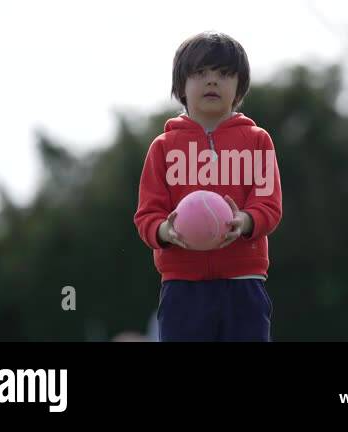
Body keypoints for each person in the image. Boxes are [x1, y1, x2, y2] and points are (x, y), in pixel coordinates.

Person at [134, 31, 282, 342]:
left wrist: (243, 221)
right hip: (181, 287)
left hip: (244, 284)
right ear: (181, 86)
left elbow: (269, 205)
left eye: (224, 74)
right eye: (200, 73)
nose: (212, 81)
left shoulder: (258, 141)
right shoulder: (162, 147)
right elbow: (147, 216)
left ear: (239, 86)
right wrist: (165, 231)